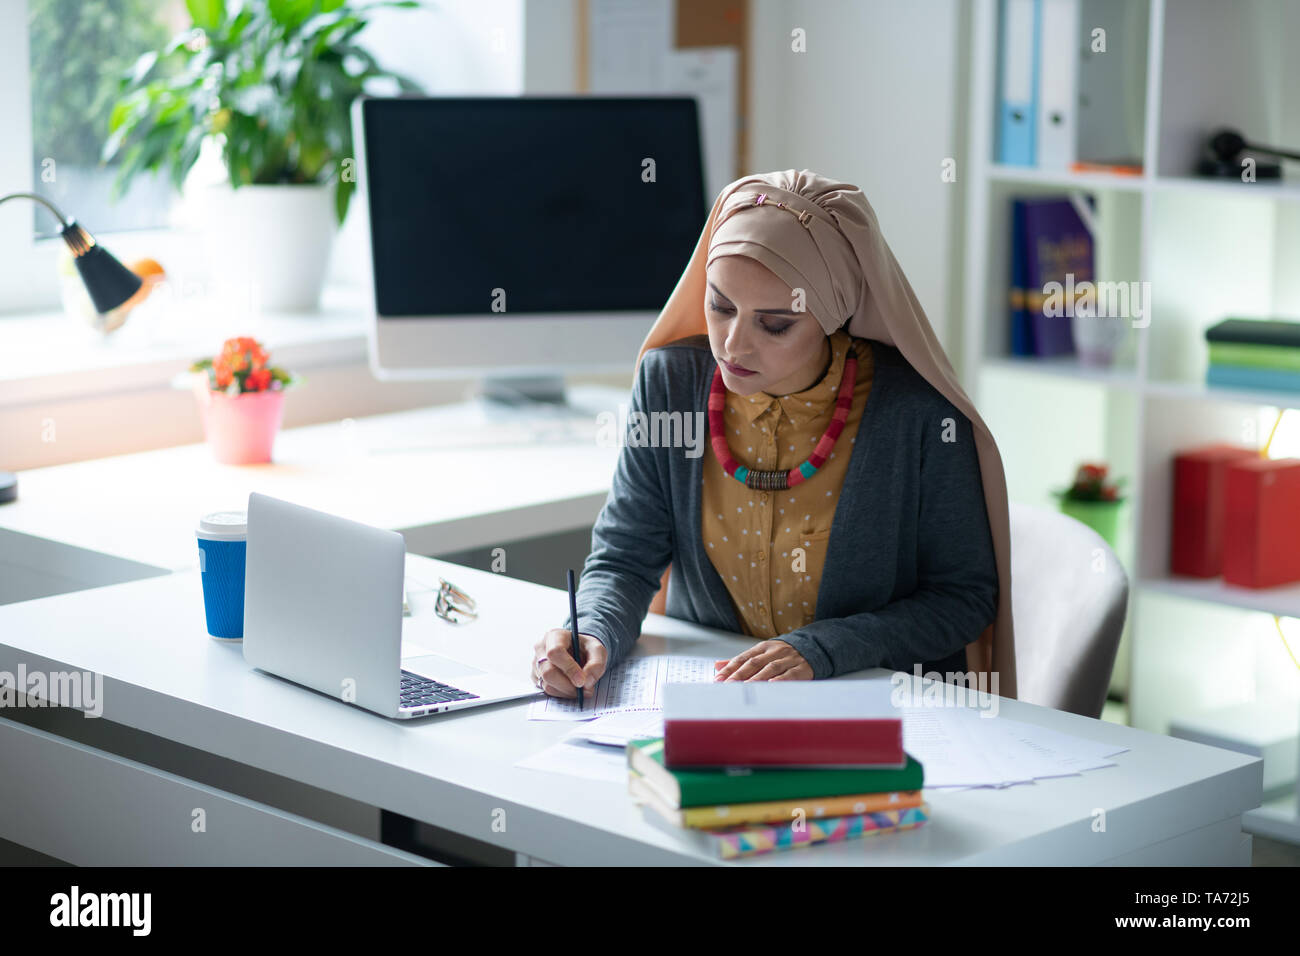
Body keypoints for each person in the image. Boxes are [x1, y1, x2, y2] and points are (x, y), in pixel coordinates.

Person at [532, 169, 1016, 699]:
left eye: (776, 324)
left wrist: (827, 647)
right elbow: (626, 557)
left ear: (831, 315)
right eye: (719, 306)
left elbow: (963, 597)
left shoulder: (918, 414)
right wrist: (590, 630)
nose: (734, 346)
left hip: (877, 708)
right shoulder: (670, 383)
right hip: (710, 699)